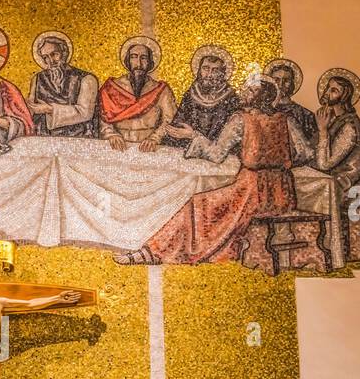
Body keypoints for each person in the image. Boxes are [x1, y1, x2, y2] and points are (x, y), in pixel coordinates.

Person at [115, 75, 311, 265]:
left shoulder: (241, 119)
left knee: (198, 205)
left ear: (262, 96)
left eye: (250, 90)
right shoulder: (286, 120)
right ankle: (154, 251)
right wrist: (277, 163)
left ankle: (154, 252)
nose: (244, 93)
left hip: (250, 191)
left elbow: (217, 154)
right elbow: (306, 153)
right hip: (282, 193)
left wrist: (192, 135)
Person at [313, 68, 360, 262]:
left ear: (344, 96)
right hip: (335, 179)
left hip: (349, 182)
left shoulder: (349, 125)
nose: (327, 94)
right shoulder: (334, 120)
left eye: (334, 90)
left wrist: (322, 131)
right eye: (328, 89)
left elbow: (325, 163)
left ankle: (330, 250)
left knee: (315, 191)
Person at [98, 36, 177, 151]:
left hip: (149, 148)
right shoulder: (111, 88)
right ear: (127, 60)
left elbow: (170, 120)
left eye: (143, 58)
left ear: (150, 62)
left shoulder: (161, 90)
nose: (138, 63)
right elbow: (103, 117)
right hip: (117, 146)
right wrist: (111, 134)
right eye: (134, 57)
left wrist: (155, 138)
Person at [26, 31, 98, 137]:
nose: (51, 61)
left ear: (64, 53)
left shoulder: (86, 79)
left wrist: (49, 109)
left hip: (78, 137)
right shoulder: (38, 79)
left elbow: (85, 113)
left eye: (54, 54)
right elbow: (31, 109)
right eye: (45, 57)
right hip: (44, 136)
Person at [167, 45, 240, 148]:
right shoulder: (191, 94)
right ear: (199, 70)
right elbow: (179, 122)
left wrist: (193, 135)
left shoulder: (231, 99)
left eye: (215, 70)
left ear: (222, 74)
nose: (209, 74)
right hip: (186, 148)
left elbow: (226, 140)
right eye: (206, 68)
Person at [265, 58, 317, 145]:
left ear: (292, 83)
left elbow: (312, 142)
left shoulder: (305, 114)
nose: (281, 84)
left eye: (286, 80)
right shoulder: (263, 111)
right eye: (276, 80)